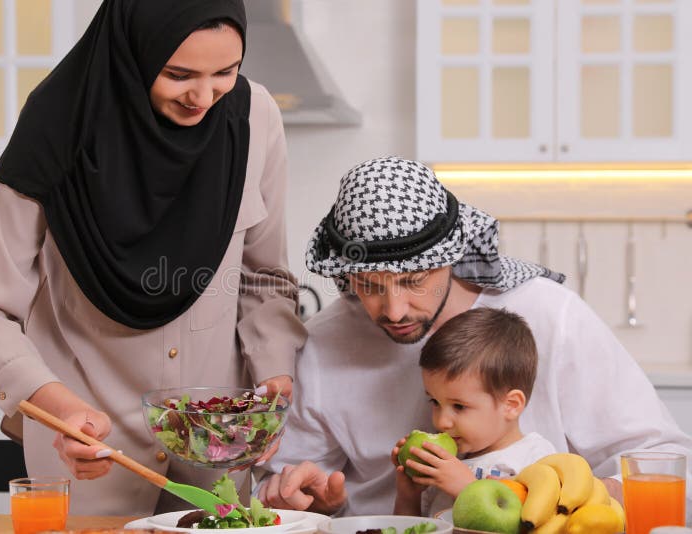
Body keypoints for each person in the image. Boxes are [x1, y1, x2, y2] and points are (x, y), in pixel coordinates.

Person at [0, 0, 306, 516]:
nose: (203, 96)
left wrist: (274, 381)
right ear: (133, 55)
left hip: (216, 448)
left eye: (225, 72)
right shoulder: (56, 125)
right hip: (89, 450)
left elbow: (265, 277)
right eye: (178, 74)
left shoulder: (254, 117)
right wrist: (59, 410)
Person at [257, 156, 692, 520]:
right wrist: (315, 504)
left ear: (451, 256)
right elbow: (285, 493)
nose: (393, 311)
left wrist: (548, 503)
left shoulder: (547, 313)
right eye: (367, 285)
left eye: (413, 281)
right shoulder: (320, 344)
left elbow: (664, 462)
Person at [392, 307, 555, 517]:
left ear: (511, 405)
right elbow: (414, 530)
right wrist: (408, 495)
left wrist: (467, 489)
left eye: (459, 406)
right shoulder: (446, 461)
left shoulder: (536, 459)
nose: (442, 422)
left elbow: (540, 526)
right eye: (434, 401)